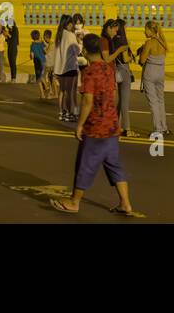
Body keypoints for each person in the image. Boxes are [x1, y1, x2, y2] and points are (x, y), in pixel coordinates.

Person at [50, 34, 139, 216]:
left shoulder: (90, 72)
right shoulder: (109, 68)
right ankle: (125, 203)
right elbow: (113, 95)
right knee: (114, 165)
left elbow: (87, 102)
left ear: (84, 50)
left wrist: (80, 125)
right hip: (111, 125)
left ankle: (74, 202)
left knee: (85, 164)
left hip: (96, 127)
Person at [100, 19, 136, 137]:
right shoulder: (118, 40)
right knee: (122, 101)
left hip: (115, 70)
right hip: (121, 70)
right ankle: (126, 128)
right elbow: (121, 58)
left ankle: (115, 125)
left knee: (117, 100)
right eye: (124, 27)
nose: (117, 31)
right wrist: (127, 53)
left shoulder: (112, 40)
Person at [137, 21, 169, 137]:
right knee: (160, 100)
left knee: (153, 102)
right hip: (160, 73)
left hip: (150, 73)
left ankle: (157, 129)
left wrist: (142, 51)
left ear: (151, 30)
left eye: (146, 29)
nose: (144, 32)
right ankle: (164, 127)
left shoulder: (149, 43)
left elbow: (142, 60)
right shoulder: (163, 43)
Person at [53, 15, 79, 121]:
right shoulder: (70, 35)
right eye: (71, 23)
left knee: (62, 91)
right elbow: (76, 50)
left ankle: (61, 112)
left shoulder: (59, 35)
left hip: (59, 67)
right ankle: (69, 113)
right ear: (68, 24)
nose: (72, 25)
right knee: (69, 92)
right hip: (69, 66)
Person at [6, 18, 19, 84]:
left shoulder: (15, 29)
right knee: (10, 63)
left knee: (13, 63)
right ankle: (12, 78)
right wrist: (6, 36)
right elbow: (7, 40)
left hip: (14, 48)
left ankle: (14, 78)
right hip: (9, 48)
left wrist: (7, 34)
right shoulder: (9, 30)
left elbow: (13, 38)